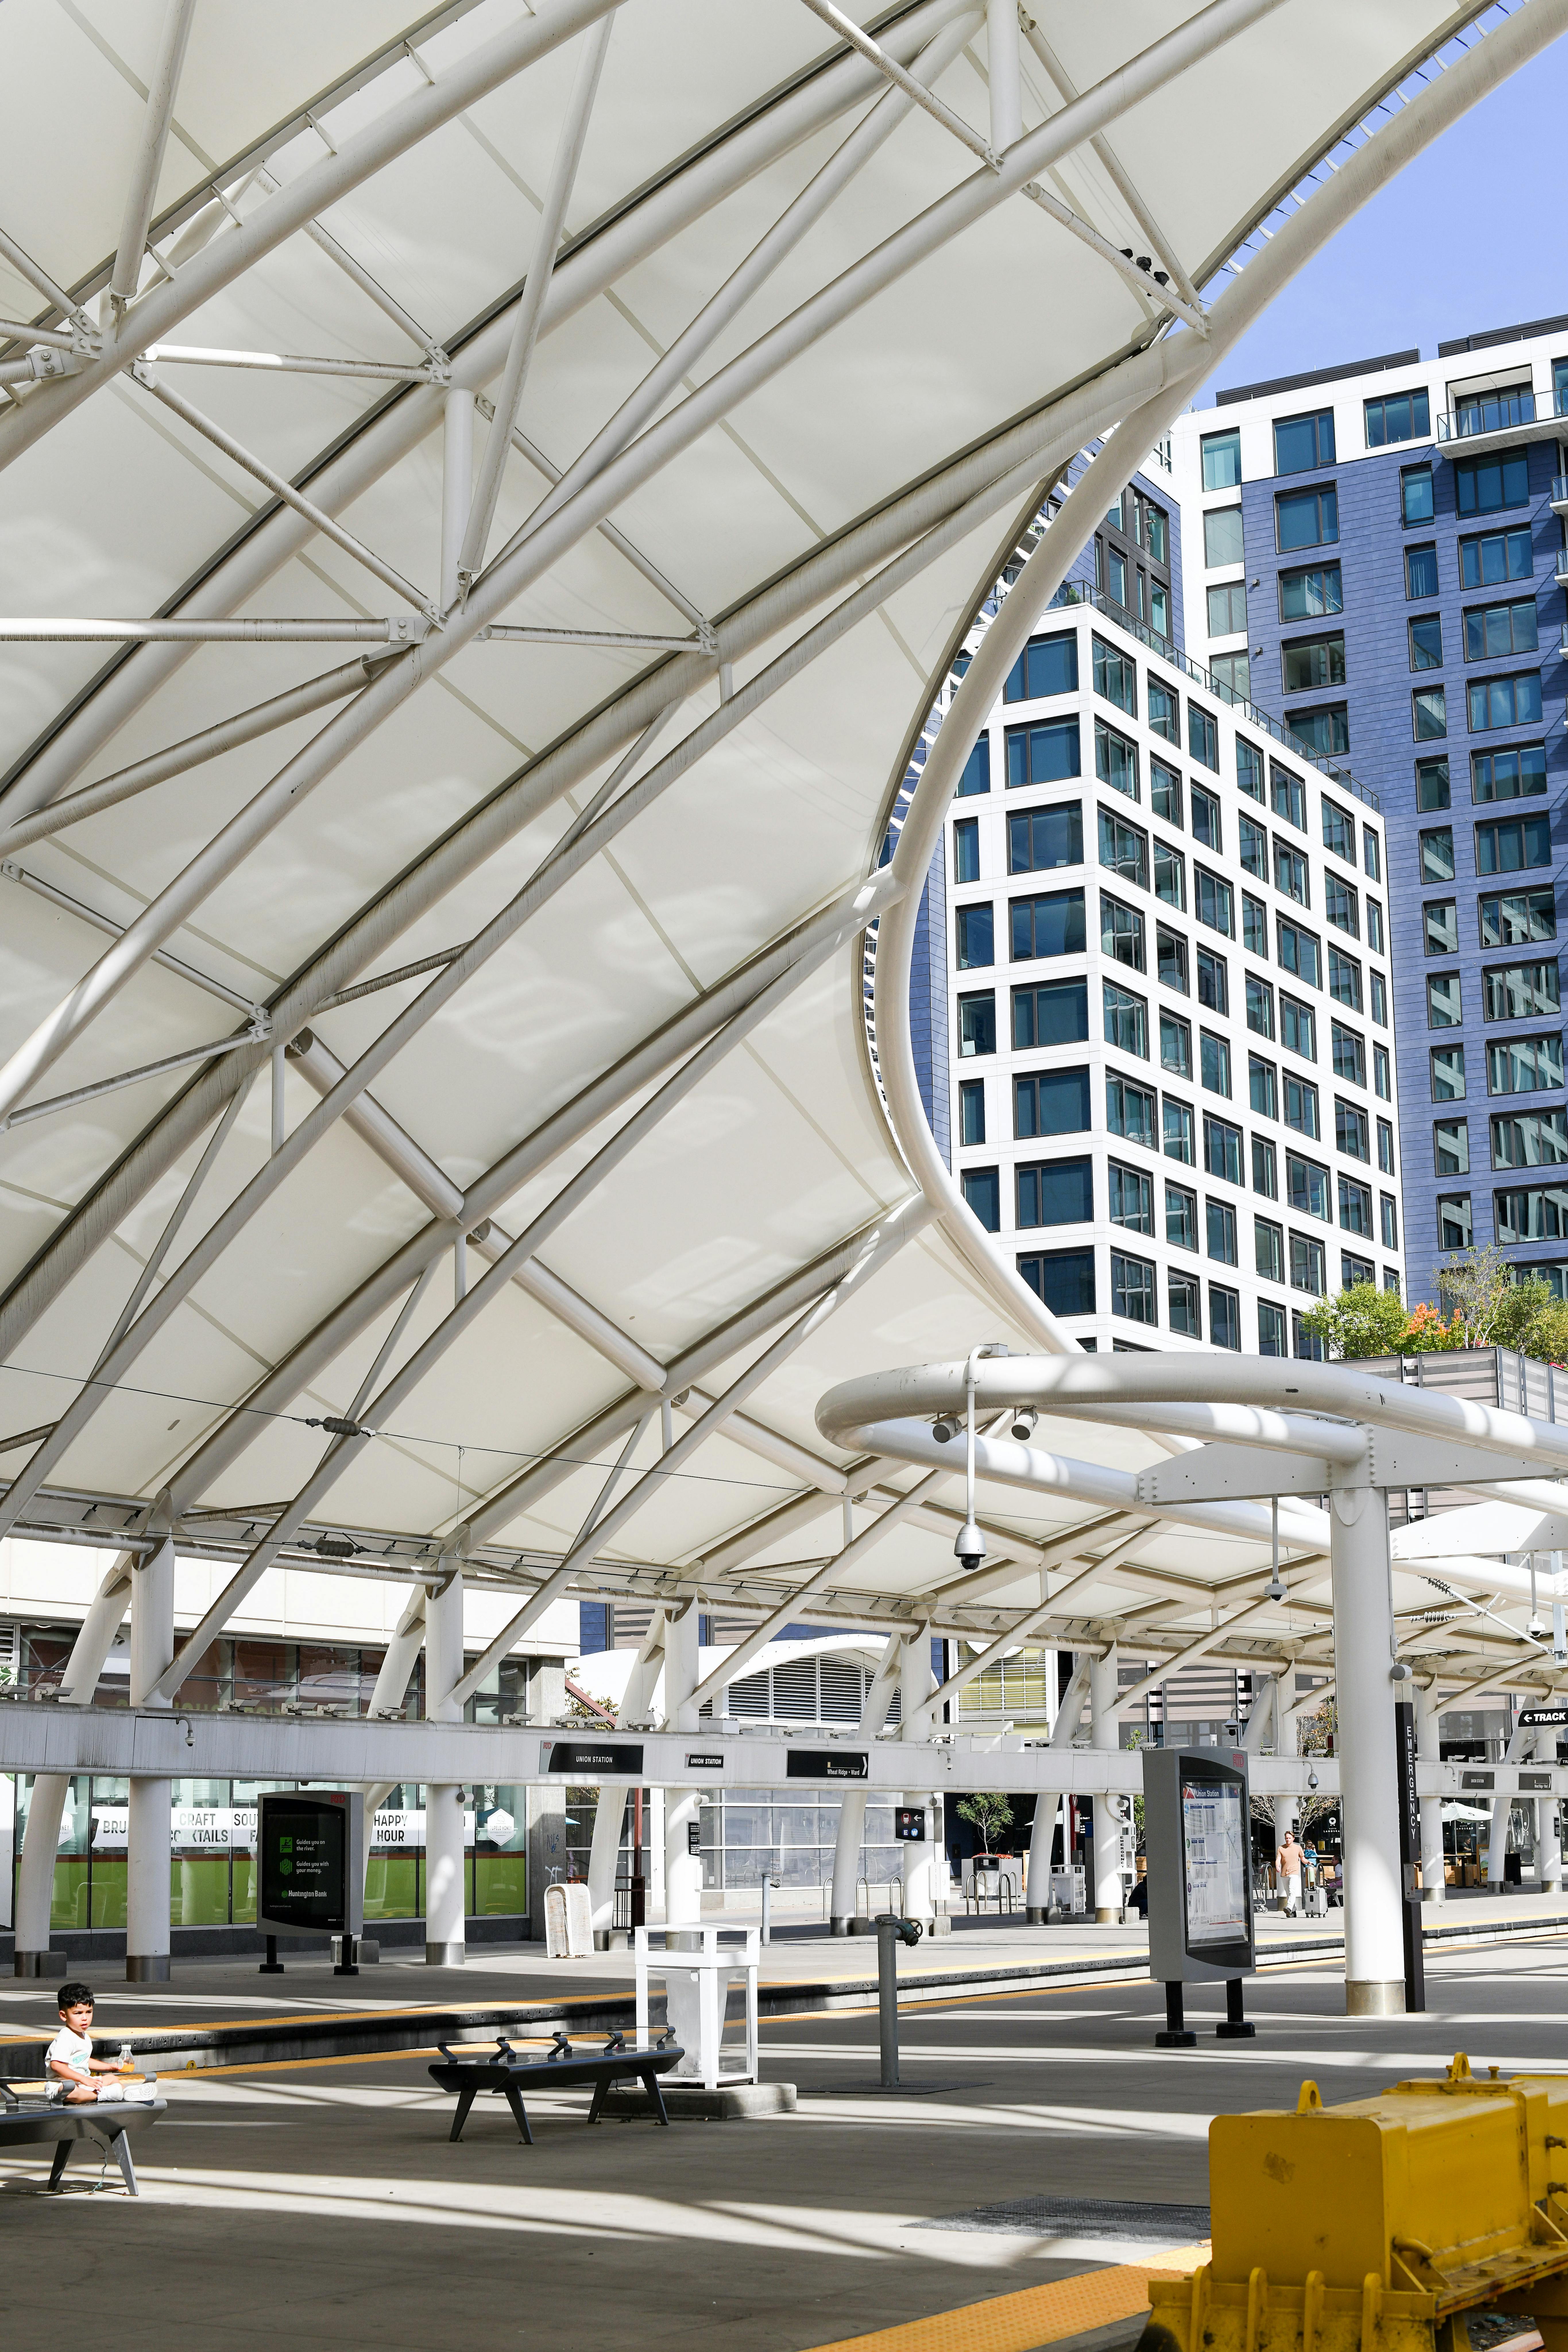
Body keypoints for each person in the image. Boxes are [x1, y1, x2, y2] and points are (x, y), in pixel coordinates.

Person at [46, 1983, 148, 2104]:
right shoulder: (66, 2037)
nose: (85, 2018)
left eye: (89, 2012)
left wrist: (111, 2067)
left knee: (111, 2079)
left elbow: (84, 2060)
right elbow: (57, 2066)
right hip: (62, 2085)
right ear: (64, 2016)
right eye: (78, 2014)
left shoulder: (84, 2036)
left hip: (83, 2083)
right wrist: (84, 2080)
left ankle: (129, 2094)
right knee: (72, 2092)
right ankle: (102, 2095)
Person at [1276, 1829, 1305, 1915]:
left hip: (1294, 1872)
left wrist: (1308, 1862)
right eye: (1286, 1838)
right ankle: (1293, 1911)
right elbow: (1278, 1859)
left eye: (1289, 1838)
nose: (1288, 1840)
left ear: (1293, 1838)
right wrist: (1278, 1866)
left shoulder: (1298, 1848)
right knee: (1289, 1893)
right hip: (1284, 1874)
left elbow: (1303, 1859)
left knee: (1292, 1891)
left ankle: (1289, 1908)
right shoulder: (1281, 1848)